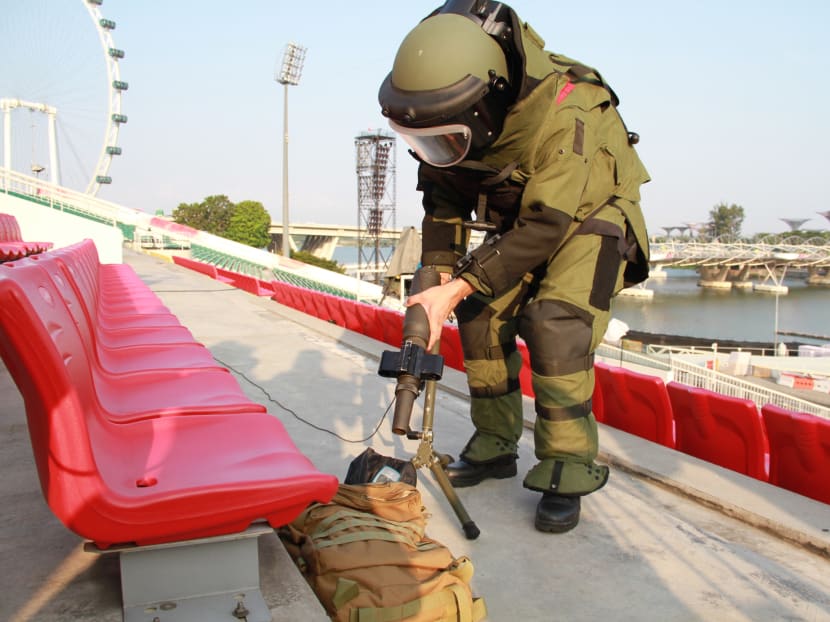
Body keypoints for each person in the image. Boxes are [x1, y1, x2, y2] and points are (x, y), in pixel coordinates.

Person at [378, 0, 650, 533]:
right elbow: (443, 206)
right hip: (529, 221)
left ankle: (568, 462)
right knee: (478, 311)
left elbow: (548, 225)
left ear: (487, 103)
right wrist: (436, 284)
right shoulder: (449, 121)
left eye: (445, 139)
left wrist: (455, 285)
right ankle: (497, 443)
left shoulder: (568, 109)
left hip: (592, 217)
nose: (437, 149)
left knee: (556, 322)